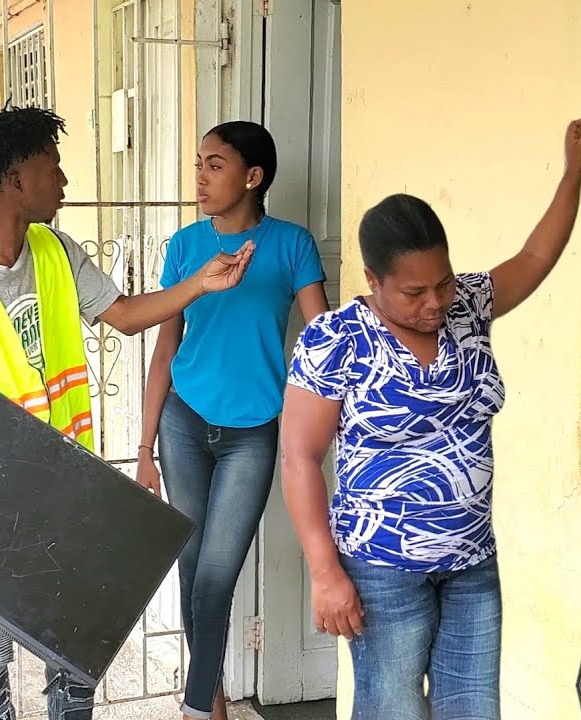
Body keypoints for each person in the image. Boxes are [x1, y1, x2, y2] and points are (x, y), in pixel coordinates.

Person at [0, 106, 255, 720]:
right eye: (53, 168)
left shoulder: (55, 251)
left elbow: (123, 315)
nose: (65, 182)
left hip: (68, 489)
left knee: (76, 662)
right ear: (16, 178)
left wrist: (200, 284)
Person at [278, 119, 581, 720]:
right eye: (413, 292)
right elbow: (298, 456)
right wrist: (324, 570)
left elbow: (536, 255)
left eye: (442, 283)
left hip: (472, 561)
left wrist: (574, 174)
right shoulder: (335, 339)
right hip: (380, 568)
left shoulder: (469, 305)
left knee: (474, 711)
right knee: (392, 710)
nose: (434, 303)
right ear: (373, 281)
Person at [134, 121, 329, 720]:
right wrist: (146, 448)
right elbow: (166, 348)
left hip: (255, 431)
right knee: (192, 568)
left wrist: (332, 426)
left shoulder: (293, 245)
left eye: (214, 164)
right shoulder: (187, 247)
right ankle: (212, 701)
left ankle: (196, 706)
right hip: (184, 423)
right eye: (198, 162)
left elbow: (324, 341)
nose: (200, 175)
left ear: (253, 176)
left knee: (217, 574)